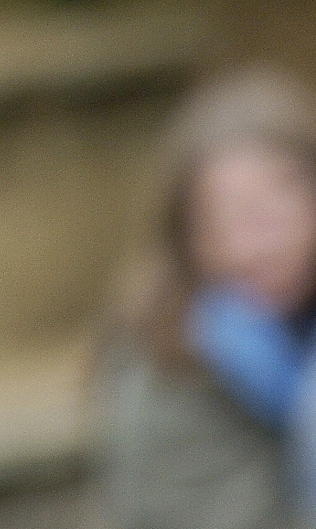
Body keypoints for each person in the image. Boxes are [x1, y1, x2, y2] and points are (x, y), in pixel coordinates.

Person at [96, 68, 316, 528]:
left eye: (273, 208)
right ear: (185, 238)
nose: (256, 245)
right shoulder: (169, 366)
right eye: (223, 220)